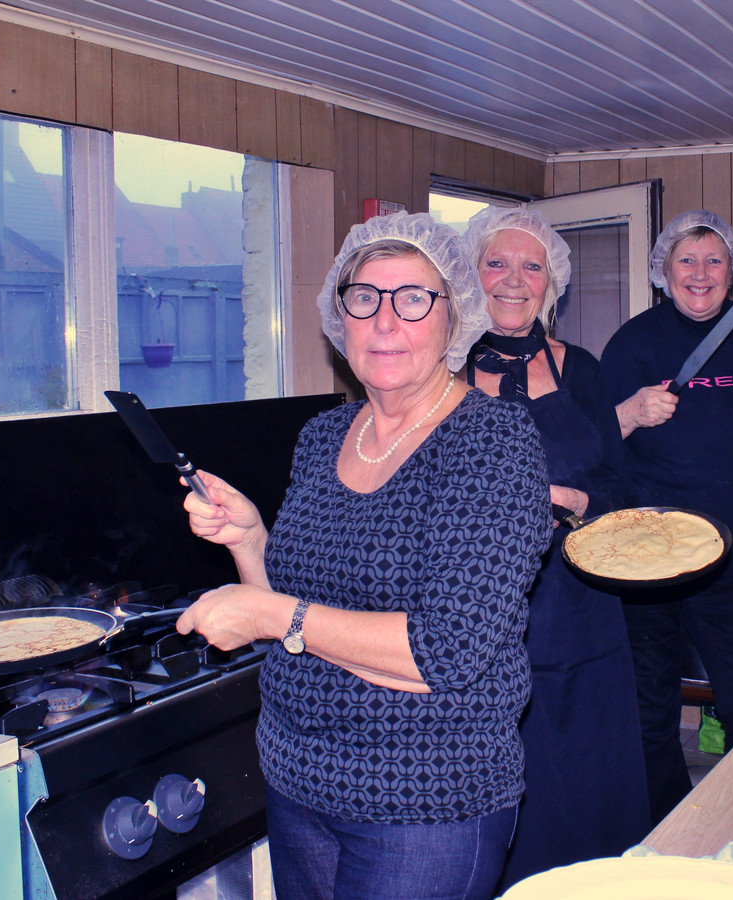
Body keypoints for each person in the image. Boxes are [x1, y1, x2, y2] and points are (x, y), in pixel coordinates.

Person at [175, 211, 551, 900]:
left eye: (412, 299)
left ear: (453, 316)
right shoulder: (322, 436)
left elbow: (447, 650)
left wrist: (269, 613)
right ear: (337, 316)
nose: (384, 322)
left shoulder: (492, 444)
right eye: (363, 298)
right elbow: (296, 615)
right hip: (297, 783)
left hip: (425, 805)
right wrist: (250, 539)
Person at [462, 206, 650, 889]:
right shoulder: (440, 375)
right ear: (468, 274)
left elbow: (617, 493)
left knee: (590, 782)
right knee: (512, 788)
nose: (514, 281)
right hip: (481, 617)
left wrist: (568, 502)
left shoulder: (584, 370)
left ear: (551, 283)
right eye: (496, 263)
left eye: (531, 266)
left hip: (581, 608)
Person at [600, 209, 733, 824]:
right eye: (687, 260)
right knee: (645, 705)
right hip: (648, 557)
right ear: (663, 271)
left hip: (732, 555)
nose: (701, 273)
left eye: (715, 260)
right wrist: (628, 411)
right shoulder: (633, 342)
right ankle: (664, 826)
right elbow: (592, 448)